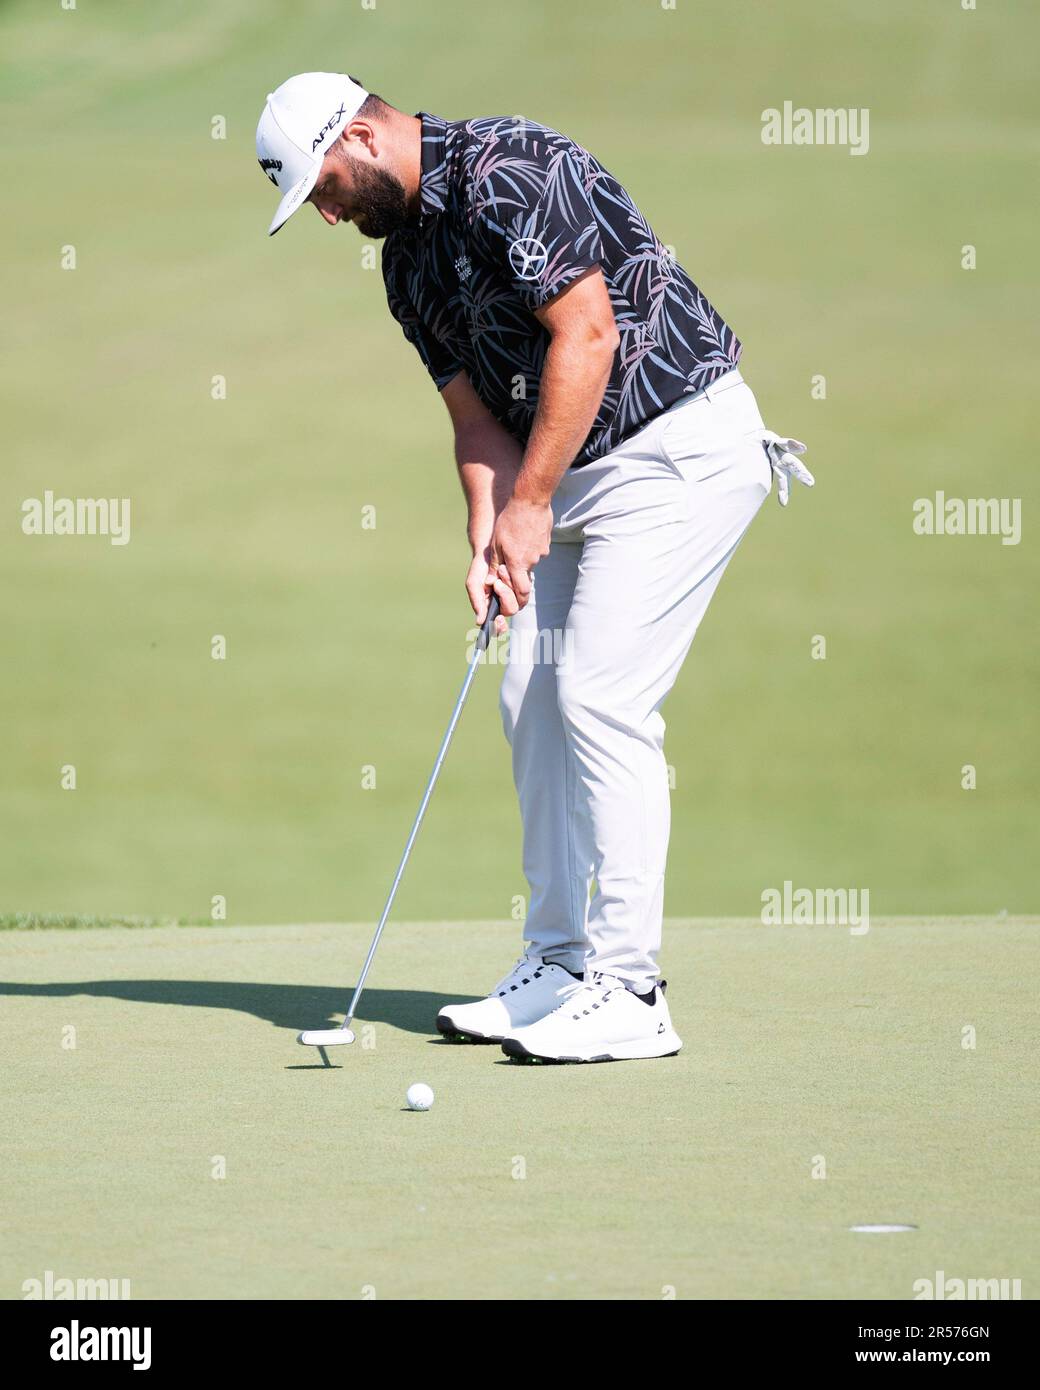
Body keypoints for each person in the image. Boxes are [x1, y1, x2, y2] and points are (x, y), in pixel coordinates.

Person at [256, 71, 813, 1064]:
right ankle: (557, 964)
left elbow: (587, 336)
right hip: (569, 476)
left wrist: (529, 507)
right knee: (529, 694)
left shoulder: (515, 166)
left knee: (598, 694)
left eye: (326, 188)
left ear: (361, 136)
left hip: (675, 448)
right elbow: (475, 416)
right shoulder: (404, 266)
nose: (329, 214)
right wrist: (489, 532)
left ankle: (631, 988)